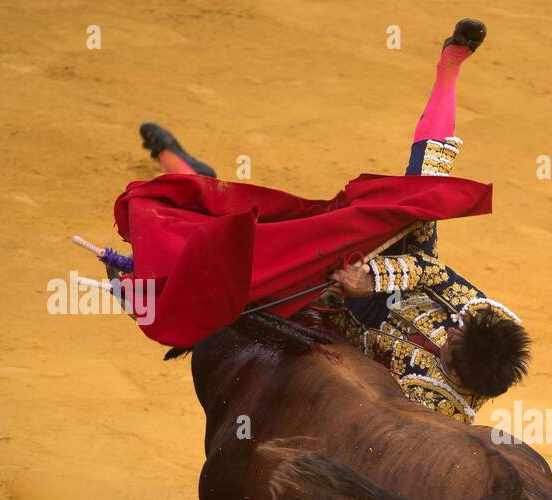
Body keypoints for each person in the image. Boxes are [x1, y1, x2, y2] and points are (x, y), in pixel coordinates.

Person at [139, 19, 530, 424]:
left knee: (241, 285)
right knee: (427, 185)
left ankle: (190, 176)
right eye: (458, 328)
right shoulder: (492, 320)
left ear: (459, 375)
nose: (451, 330)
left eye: (452, 343)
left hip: (341, 325)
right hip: (395, 269)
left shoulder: (442, 413)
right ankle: (450, 65)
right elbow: (432, 271)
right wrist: (372, 278)